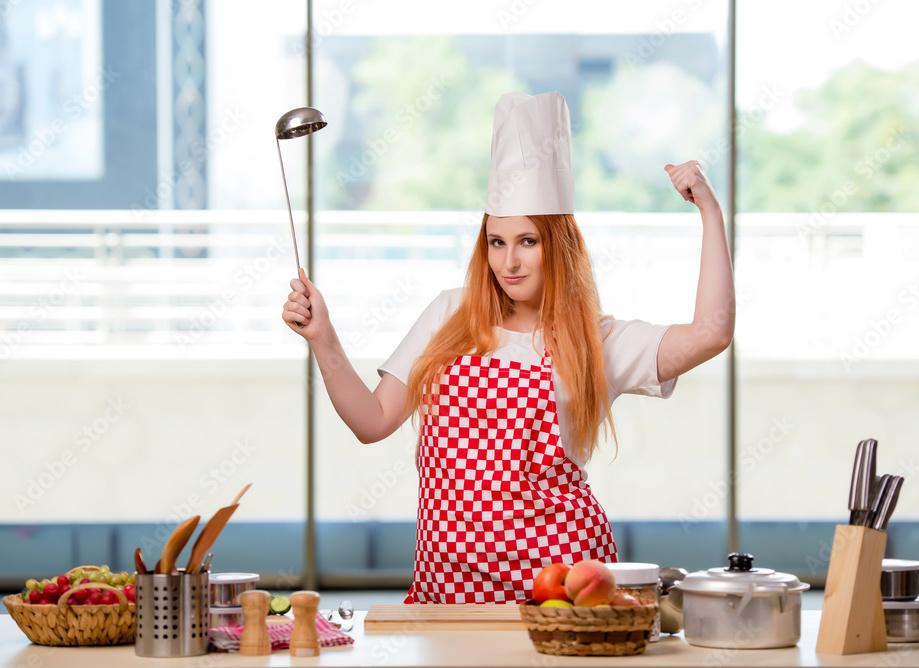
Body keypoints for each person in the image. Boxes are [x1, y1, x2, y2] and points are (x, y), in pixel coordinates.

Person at [282, 91, 734, 604]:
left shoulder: (597, 340)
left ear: (558, 247)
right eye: (497, 242)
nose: (509, 262)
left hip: (563, 582)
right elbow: (371, 421)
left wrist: (710, 214)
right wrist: (324, 338)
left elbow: (710, 333)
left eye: (528, 241)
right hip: (448, 580)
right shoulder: (449, 314)